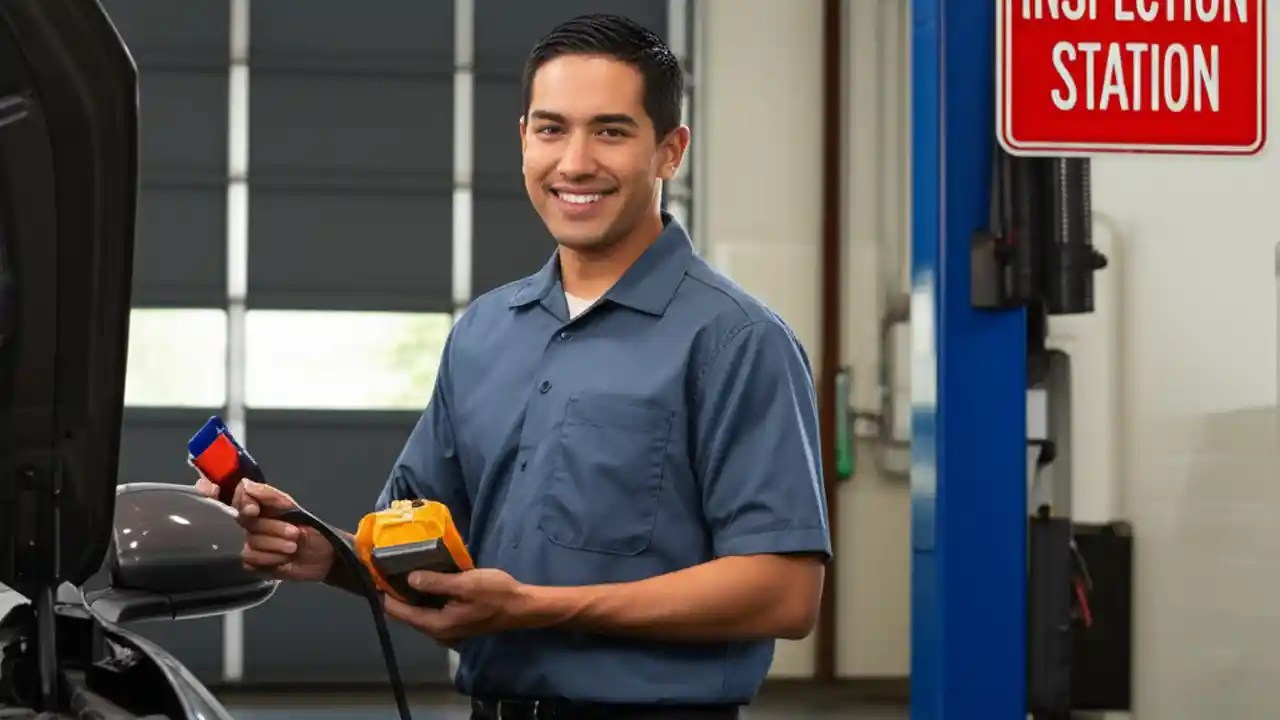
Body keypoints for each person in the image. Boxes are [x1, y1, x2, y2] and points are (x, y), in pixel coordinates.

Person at [198, 13, 831, 720]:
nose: (576, 162)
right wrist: (320, 549)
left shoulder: (737, 341)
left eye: (611, 131)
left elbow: (784, 593)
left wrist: (535, 608)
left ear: (669, 151)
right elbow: (420, 550)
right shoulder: (485, 333)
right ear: (523, 138)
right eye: (552, 128)